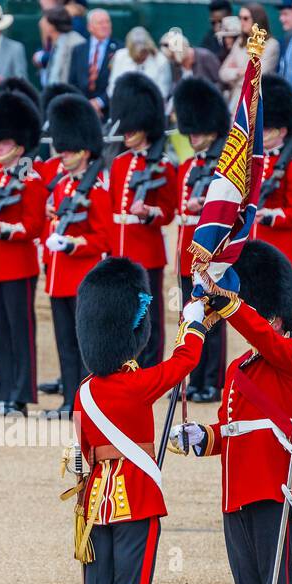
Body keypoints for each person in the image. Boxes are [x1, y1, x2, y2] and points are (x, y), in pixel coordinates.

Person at [169, 242, 292, 584]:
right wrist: (200, 437)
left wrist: (229, 302)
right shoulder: (238, 367)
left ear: (273, 315)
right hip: (236, 489)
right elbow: (232, 430)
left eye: (257, 313)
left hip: (272, 486)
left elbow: (264, 340)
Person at [65, 257, 210, 584]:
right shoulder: (136, 385)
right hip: (136, 500)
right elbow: (186, 360)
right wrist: (194, 322)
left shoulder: (84, 391)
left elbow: (79, 454)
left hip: (94, 504)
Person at [0, 90, 45, 416]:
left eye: (5, 144)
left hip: (18, 265)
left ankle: (20, 396)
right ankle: (3, 393)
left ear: (19, 145)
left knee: (20, 333)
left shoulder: (30, 178)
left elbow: (33, 225)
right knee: (0, 334)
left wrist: (3, 229)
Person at [42, 91, 107, 419]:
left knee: (84, 348)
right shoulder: (61, 185)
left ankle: (86, 404)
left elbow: (103, 236)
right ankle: (70, 400)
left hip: (81, 277)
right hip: (58, 278)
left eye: (68, 151)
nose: (62, 156)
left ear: (84, 151)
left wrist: (73, 244)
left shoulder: (94, 187)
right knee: (65, 345)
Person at [108, 71, 176, 370]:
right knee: (123, 313)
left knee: (149, 314)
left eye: (132, 128)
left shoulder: (161, 166)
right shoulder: (120, 163)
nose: (127, 133)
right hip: (120, 249)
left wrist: (148, 212)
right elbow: (111, 208)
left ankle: (150, 366)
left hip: (146, 250)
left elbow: (169, 212)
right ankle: (127, 362)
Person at [172, 75, 230, 403]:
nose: (193, 136)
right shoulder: (186, 166)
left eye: (198, 130)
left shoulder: (221, 167)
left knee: (212, 317)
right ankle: (195, 378)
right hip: (186, 254)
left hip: (209, 255)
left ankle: (212, 380)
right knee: (190, 317)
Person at [250, 75, 292, 276]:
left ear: (282, 130)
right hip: (248, 250)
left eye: (266, 129)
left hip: (280, 251)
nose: (261, 133)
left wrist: (271, 216)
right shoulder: (252, 161)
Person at [69, 7, 118, 116]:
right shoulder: (79, 49)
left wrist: (99, 103)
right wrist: (85, 104)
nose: (105, 26)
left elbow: (119, 84)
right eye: (100, 23)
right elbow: (72, 82)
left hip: (109, 111)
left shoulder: (119, 50)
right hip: (81, 111)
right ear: (90, 27)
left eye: (107, 22)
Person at [107, 26, 170, 102]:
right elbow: (112, 89)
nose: (139, 58)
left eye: (143, 54)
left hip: (151, 106)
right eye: (135, 57)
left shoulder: (161, 60)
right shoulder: (120, 56)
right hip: (124, 105)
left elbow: (163, 93)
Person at [37, 6, 82, 88]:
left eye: (44, 20)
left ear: (52, 26)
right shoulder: (56, 42)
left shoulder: (75, 43)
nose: (41, 23)